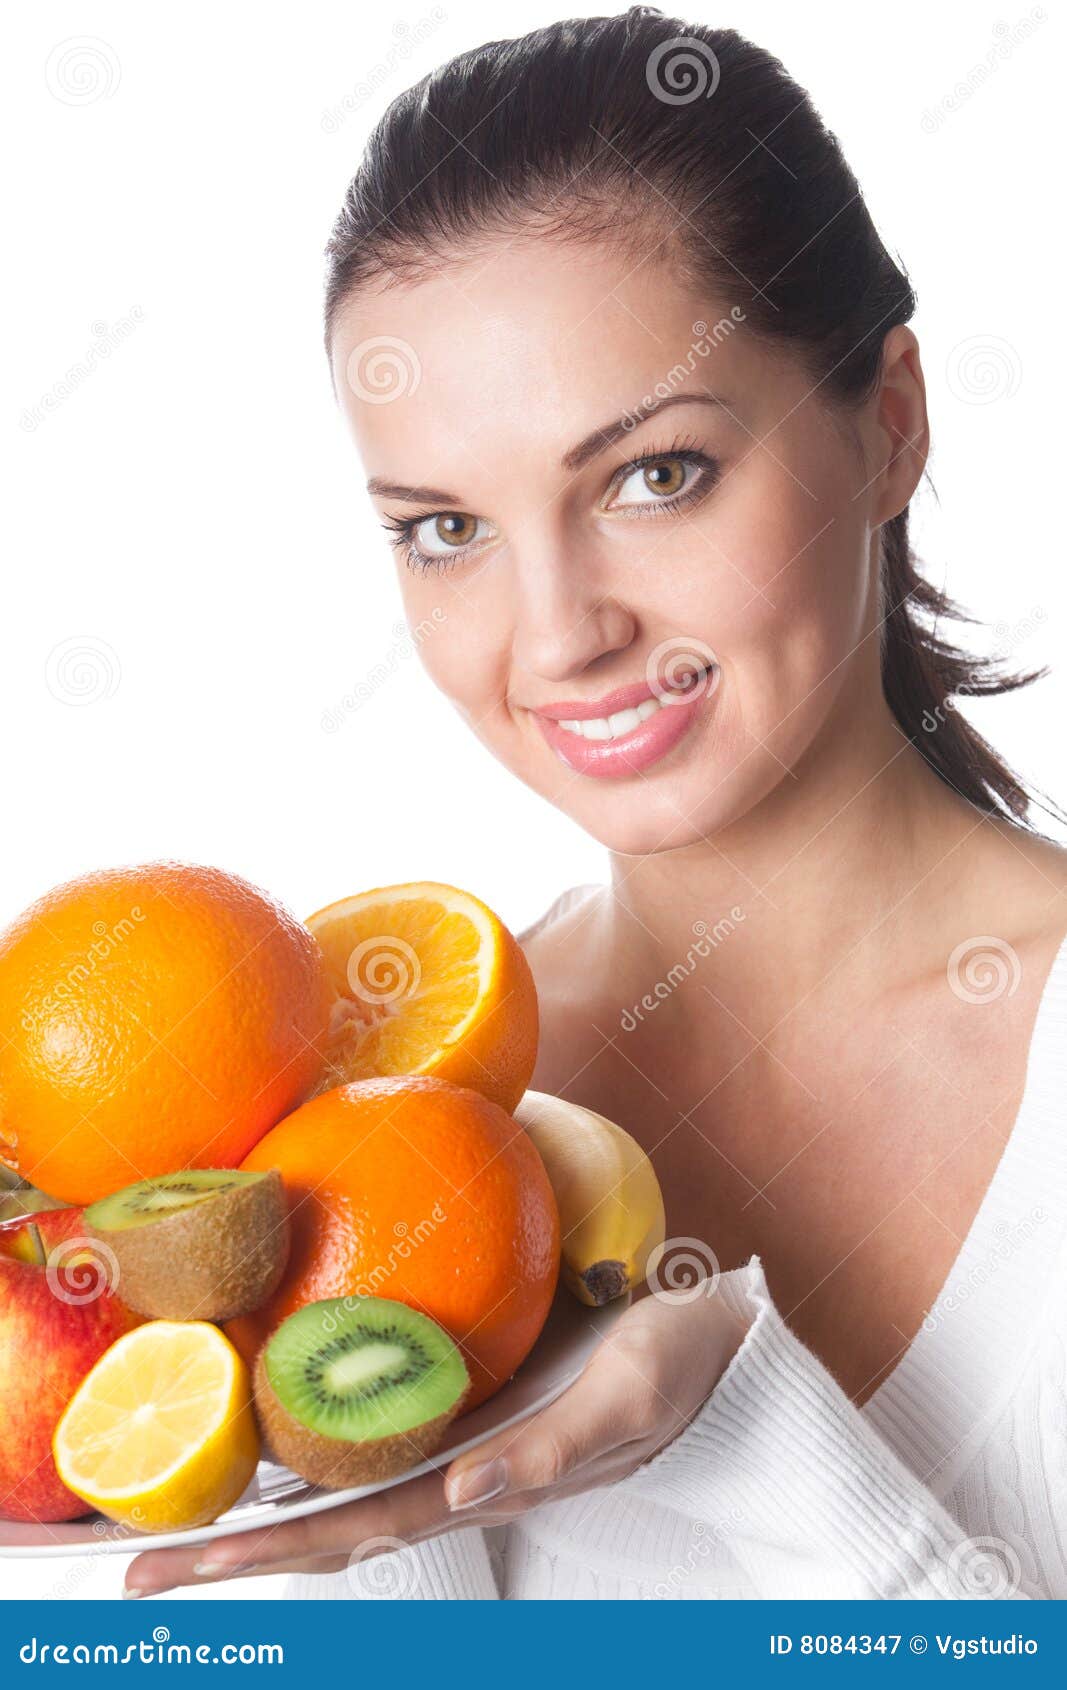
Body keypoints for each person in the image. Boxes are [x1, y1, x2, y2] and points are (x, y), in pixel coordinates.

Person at [125, 8, 1067, 1600]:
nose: (557, 633)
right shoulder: (365, 1121)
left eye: (653, 476)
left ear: (890, 420)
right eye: (445, 529)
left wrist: (747, 1427)